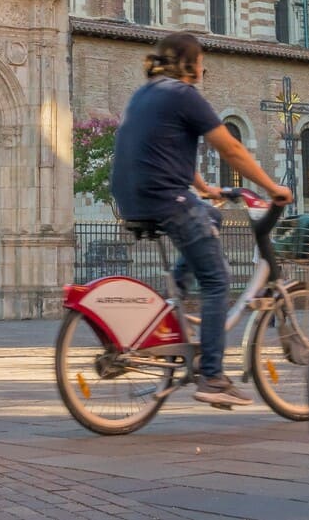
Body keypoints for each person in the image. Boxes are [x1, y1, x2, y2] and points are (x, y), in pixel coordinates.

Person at [110, 30, 292, 408]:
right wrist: (273, 187)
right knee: (217, 279)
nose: (204, 67)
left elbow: (162, 148)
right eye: (201, 60)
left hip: (132, 197)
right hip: (165, 199)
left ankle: (175, 299)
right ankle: (212, 376)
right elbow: (231, 148)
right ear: (190, 64)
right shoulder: (184, 95)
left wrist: (205, 187)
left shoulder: (146, 94)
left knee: (210, 214)